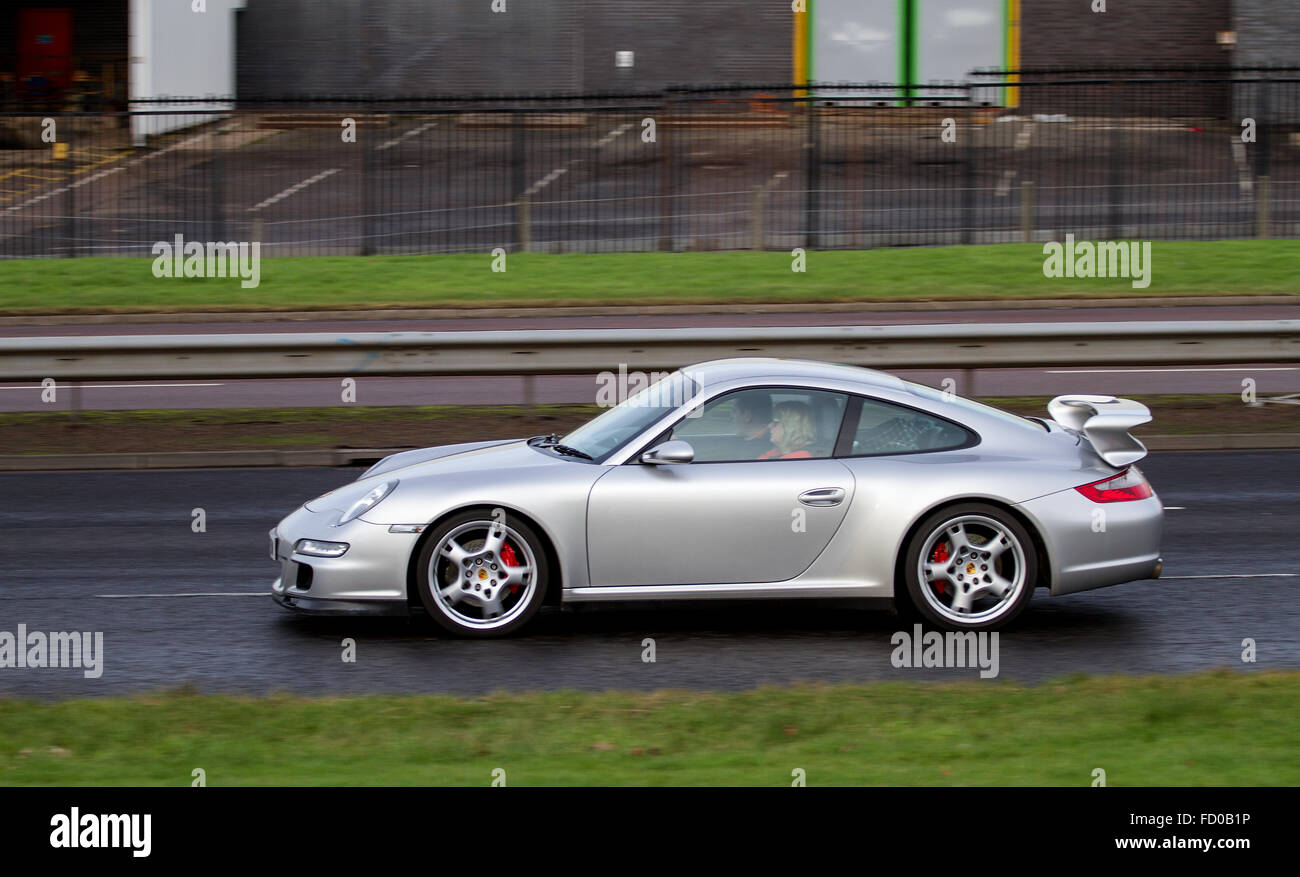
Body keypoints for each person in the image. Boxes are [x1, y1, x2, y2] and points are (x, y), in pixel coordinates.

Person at [732, 392, 774, 457]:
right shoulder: (776, 443)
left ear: (747, 415)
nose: (731, 416)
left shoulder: (749, 452)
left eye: (734, 411)